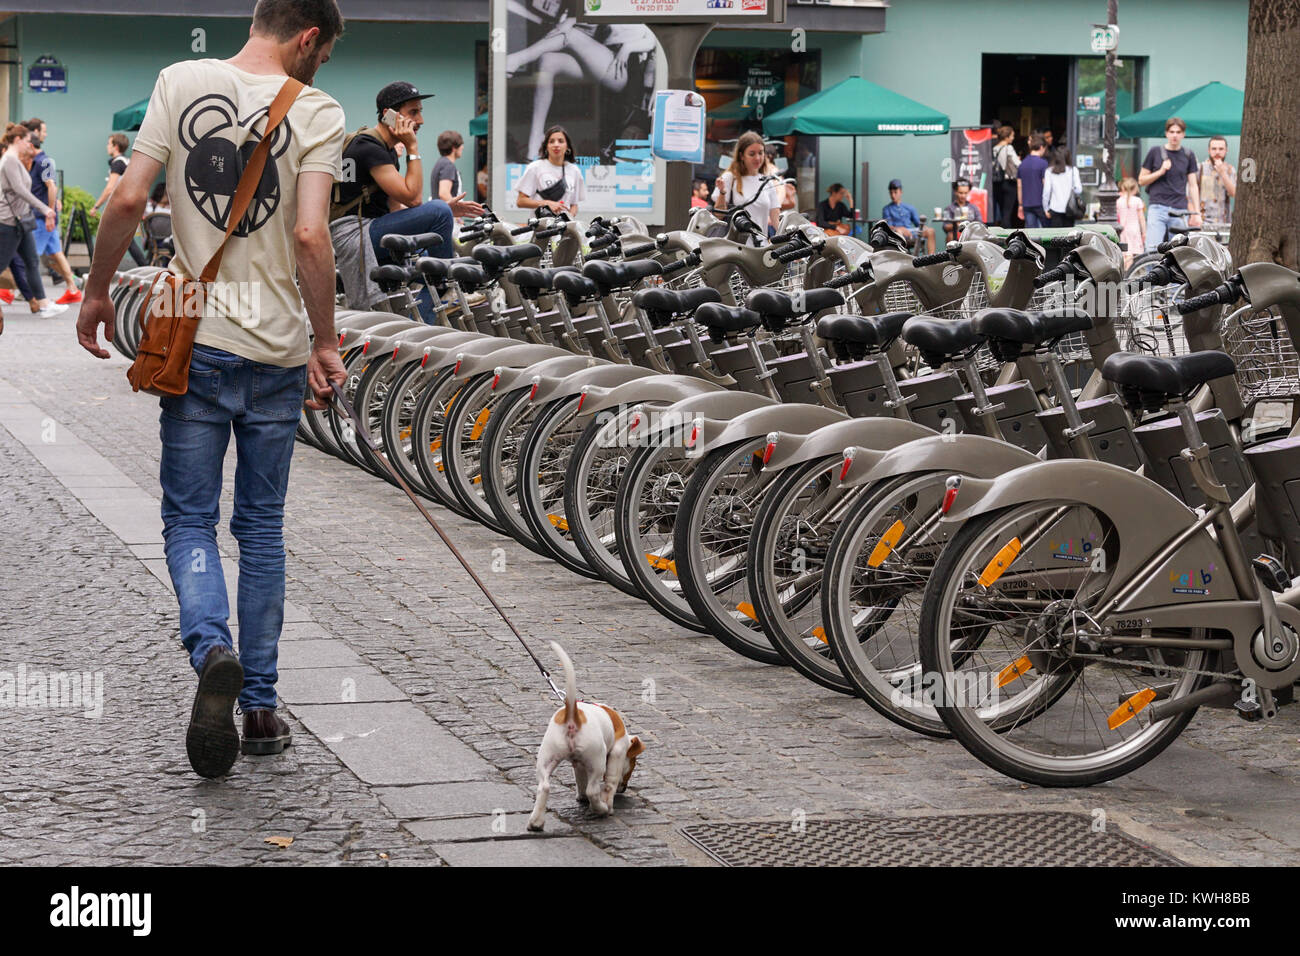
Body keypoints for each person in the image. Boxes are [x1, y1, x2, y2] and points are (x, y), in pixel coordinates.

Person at [75, 0, 349, 779]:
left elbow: (129, 199)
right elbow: (308, 235)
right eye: (322, 53)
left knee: (189, 519)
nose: (320, 66)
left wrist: (96, 292)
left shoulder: (181, 79)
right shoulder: (319, 109)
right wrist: (325, 341)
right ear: (307, 38)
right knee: (260, 528)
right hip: (277, 345)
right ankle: (260, 707)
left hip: (194, 331)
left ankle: (212, 648)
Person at [332, 80, 483, 322]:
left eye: (420, 112)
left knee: (432, 252)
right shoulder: (368, 147)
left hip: (370, 231)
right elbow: (412, 198)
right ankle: (443, 288)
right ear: (388, 115)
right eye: (414, 112)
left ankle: (416, 326)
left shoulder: (383, 149)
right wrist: (413, 147)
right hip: (355, 235)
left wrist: (446, 209)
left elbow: (396, 207)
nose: (420, 120)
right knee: (440, 271)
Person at [505, 6, 656, 161]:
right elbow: (593, 16)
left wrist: (628, 48)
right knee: (548, 61)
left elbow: (653, 40)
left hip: (624, 69)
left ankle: (516, 59)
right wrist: (572, 19)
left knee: (570, 34)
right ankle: (534, 140)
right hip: (604, 59)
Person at [0, 124, 65, 319]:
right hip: (9, 222)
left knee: (31, 261)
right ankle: (41, 303)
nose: (30, 145)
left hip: (21, 221)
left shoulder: (14, 160)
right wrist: (45, 208)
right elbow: (20, 190)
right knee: (2, 263)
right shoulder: (9, 160)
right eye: (28, 141)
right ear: (18, 140)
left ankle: (43, 304)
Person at [23, 117, 83, 303]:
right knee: (55, 254)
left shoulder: (44, 161)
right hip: (43, 216)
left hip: (42, 218)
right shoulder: (35, 162)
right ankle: (73, 288)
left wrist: (50, 211)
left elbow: (51, 186)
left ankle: (22, 293)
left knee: (26, 257)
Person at [1139, 116, 1201, 251]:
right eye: (1172, 132)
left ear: (1183, 134)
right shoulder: (1155, 152)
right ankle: (1151, 272)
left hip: (1179, 209)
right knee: (1152, 249)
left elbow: (1193, 185)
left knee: (1179, 251)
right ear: (1166, 133)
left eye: (1178, 132)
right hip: (1158, 207)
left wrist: (1196, 213)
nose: (1175, 135)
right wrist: (1160, 171)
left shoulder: (1188, 154)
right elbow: (1141, 180)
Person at [92, 132, 148, 265]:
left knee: (113, 239)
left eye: (109, 144)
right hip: (130, 206)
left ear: (115, 146)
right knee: (125, 240)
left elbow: (110, 188)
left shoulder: (117, 163)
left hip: (120, 207)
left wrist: (96, 206)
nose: (107, 147)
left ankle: (144, 267)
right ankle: (143, 267)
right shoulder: (127, 161)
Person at [711, 130, 782, 237]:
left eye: (761, 153)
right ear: (741, 155)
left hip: (761, 247)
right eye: (752, 154)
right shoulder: (730, 177)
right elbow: (718, 216)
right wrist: (722, 192)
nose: (757, 158)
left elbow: (776, 219)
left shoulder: (767, 181)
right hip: (735, 248)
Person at [516, 124, 586, 215]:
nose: (556, 145)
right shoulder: (535, 168)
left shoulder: (574, 171)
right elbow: (521, 201)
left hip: (564, 227)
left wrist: (568, 218)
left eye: (561, 141)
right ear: (546, 147)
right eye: (551, 141)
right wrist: (546, 203)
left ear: (567, 147)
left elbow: (574, 205)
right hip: (541, 226)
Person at [881, 179, 934, 253]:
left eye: (895, 192)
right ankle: (903, 258)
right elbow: (888, 227)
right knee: (898, 232)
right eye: (891, 193)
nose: (893, 195)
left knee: (930, 231)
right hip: (897, 233)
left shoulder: (909, 208)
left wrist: (924, 227)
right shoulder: (887, 209)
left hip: (911, 232)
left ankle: (930, 259)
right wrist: (900, 229)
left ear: (901, 192)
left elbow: (918, 224)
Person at [1199, 135, 1236, 226]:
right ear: (1209, 150)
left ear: (1226, 151)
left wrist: (1223, 173)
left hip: (1223, 221)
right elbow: (1190, 196)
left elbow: (1233, 193)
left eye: (1221, 149)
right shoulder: (1200, 168)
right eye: (1214, 149)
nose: (1217, 152)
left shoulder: (1230, 170)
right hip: (1203, 221)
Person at [1042, 147, 1083, 228]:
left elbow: (1046, 192)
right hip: (1070, 209)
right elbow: (1079, 189)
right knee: (1068, 236)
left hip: (1055, 208)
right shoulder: (1073, 170)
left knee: (1056, 237)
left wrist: (1046, 208)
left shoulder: (1049, 171)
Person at [1017, 133, 1050, 228]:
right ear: (1041, 147)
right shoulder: (1043, 163)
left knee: (1031, 233)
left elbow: (1019, 186)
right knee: (1046, 231)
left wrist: (1020, 204)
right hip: (1041, 203)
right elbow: (1046, 184)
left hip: (1027, 203)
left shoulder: (1022, 164)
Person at [992, 125, 1020, 228]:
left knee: (1001, 210)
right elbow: (1017, 164)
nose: (1013, 138)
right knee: (1007, 213)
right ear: (1007, 137)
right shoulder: (1009, 148)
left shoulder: (994, 148)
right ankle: (1007, 237)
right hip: (1009, 183)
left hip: (996, 182)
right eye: (1012, 136)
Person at [1116, 177, 1146, 269]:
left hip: (1122, 231)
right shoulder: (1137, 201)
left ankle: (1122, 273)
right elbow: (1141, 218)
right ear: (1134, 189)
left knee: (1124, 254)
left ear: (1123, 188)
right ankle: (1127, 274)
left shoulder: (1118, 200)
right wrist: (1144, 232)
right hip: (1134, 231)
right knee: (1130, 256)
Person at [942, 178, 983, 243]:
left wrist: (969, 226)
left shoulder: (974, 208)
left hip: (971, 234)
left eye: (965, 193)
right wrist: (956, 225)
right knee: (950, 235)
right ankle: (952, 253)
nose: (963, 196)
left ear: (969, 192)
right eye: (960, 193)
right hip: (955, 235)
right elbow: (945, 226)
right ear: (955, 191)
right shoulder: (949, 208)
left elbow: (980, 224)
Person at [431, 129, 464, 204]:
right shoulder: (448, 165)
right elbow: (444, 193)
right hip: (446, 214)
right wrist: (457, 212)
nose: (463, 147)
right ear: (454, 148)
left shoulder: (441, 163)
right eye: (461, 145)